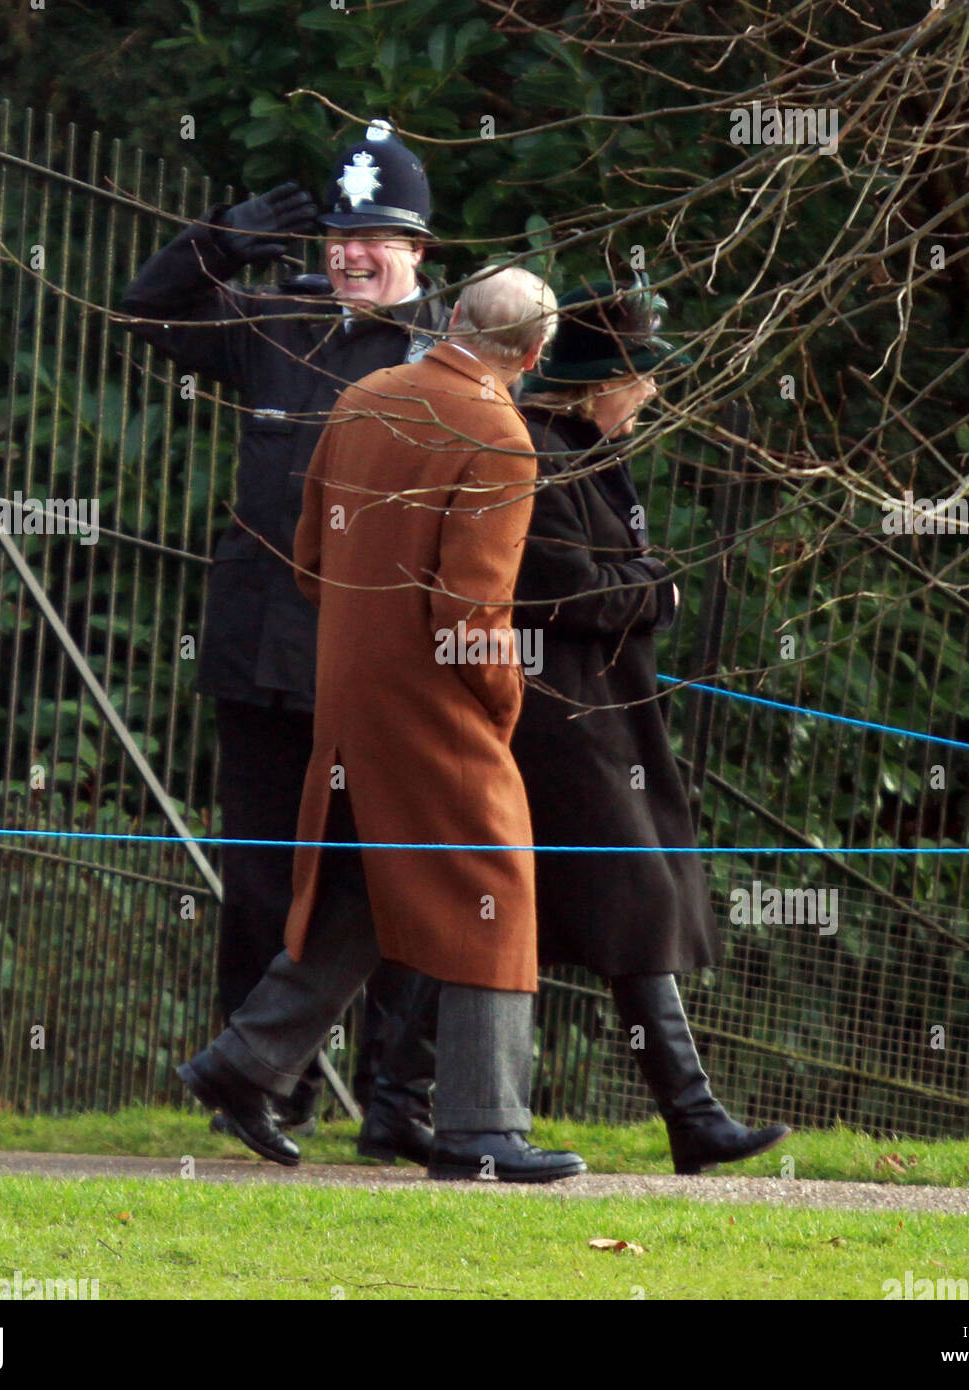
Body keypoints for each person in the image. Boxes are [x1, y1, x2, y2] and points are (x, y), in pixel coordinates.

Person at [177, 264, 588, 1182]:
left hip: (347, 687)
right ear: (531, 354)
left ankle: (240, 1065)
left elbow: (310, 556)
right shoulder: (498, 432)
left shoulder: (363, 397)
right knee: (497, 886)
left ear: (449, 318)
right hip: (432, 700)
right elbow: (469, 613)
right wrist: (503, 698)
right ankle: (483, 1131)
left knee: (366, 886)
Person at [118, 119, 442, 1159]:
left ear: (418, 252)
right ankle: (260, 1089)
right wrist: (219, 238)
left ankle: (401, 1103)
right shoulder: (279, 326)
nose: (351, 253)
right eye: (342, 234)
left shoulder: (444, 361)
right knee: (261, 878)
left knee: (392, 881)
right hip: (260, 653)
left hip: (378, 669)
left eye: (376, 238)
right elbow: (146, 310)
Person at [511, 278, 791, 1173]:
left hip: (606, 711)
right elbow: (555, 590)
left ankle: (693, 1119)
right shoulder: (544, 454)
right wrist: (658, 591)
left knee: (577, 910)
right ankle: (693, 1117)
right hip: (565, 719)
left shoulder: (589, 449)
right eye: (642, 379)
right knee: (625, 900)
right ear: (599, 383)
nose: (653, 395)